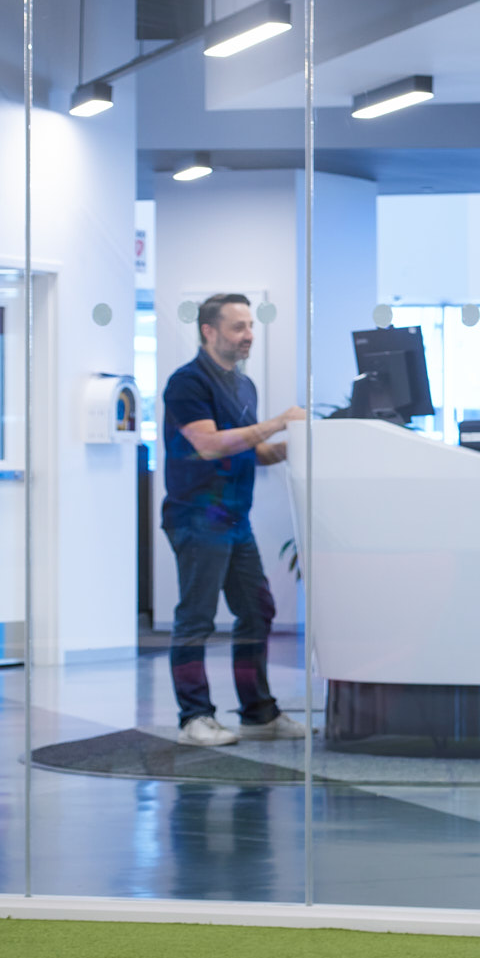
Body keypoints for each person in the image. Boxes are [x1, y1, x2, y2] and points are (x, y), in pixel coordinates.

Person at [159, 291, 307, 750]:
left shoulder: (243, 385)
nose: (249, 336)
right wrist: (279, 422)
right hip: (197, 516)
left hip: (233, 517)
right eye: (239, 327)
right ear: (209, 331)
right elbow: (208, 444)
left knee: (256, 611)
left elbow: (251, 449)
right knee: (196, 618)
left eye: (250, 327)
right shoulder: (187, 383)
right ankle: (194, 717)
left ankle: (258, 713)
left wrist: (296, 445)